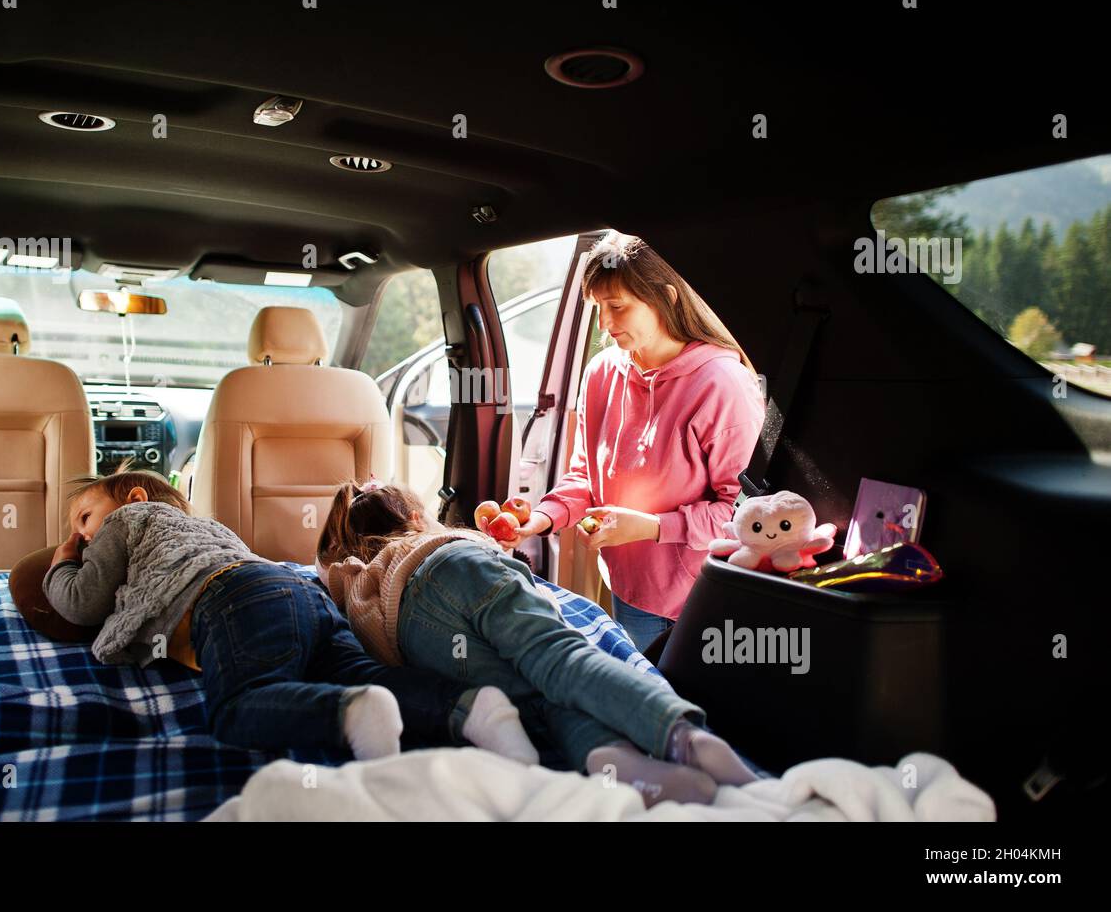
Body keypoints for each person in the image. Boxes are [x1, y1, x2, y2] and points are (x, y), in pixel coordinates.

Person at [42, 459, 537, 764]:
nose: (82, 534)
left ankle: (347, 714)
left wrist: (62, 563)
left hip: (231, 600)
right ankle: (474, 708)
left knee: (238, 706)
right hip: (295, 594)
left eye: (84, 518)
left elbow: (82, 603)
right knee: (357, 671)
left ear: (133, 498)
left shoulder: (128, 521)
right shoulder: (207, 531)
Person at [317, 479, 760, 806]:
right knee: (559, 660)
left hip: (415, 632)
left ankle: (613, 761)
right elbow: (489, 570)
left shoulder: (359, 585)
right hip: (456, 569)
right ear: (415, 518)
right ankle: (684, 737)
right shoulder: (439, 541)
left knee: (534, 703)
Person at [502, 231, 765, 652]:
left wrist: (653, 528)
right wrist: (540, 519)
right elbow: (584, 476)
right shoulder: (603, 372)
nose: (604, 325)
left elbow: (746, 516)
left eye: (617, 306)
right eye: (598, 308)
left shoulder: (721, 384)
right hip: (628, 589)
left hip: (695, 601)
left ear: (667, 297)